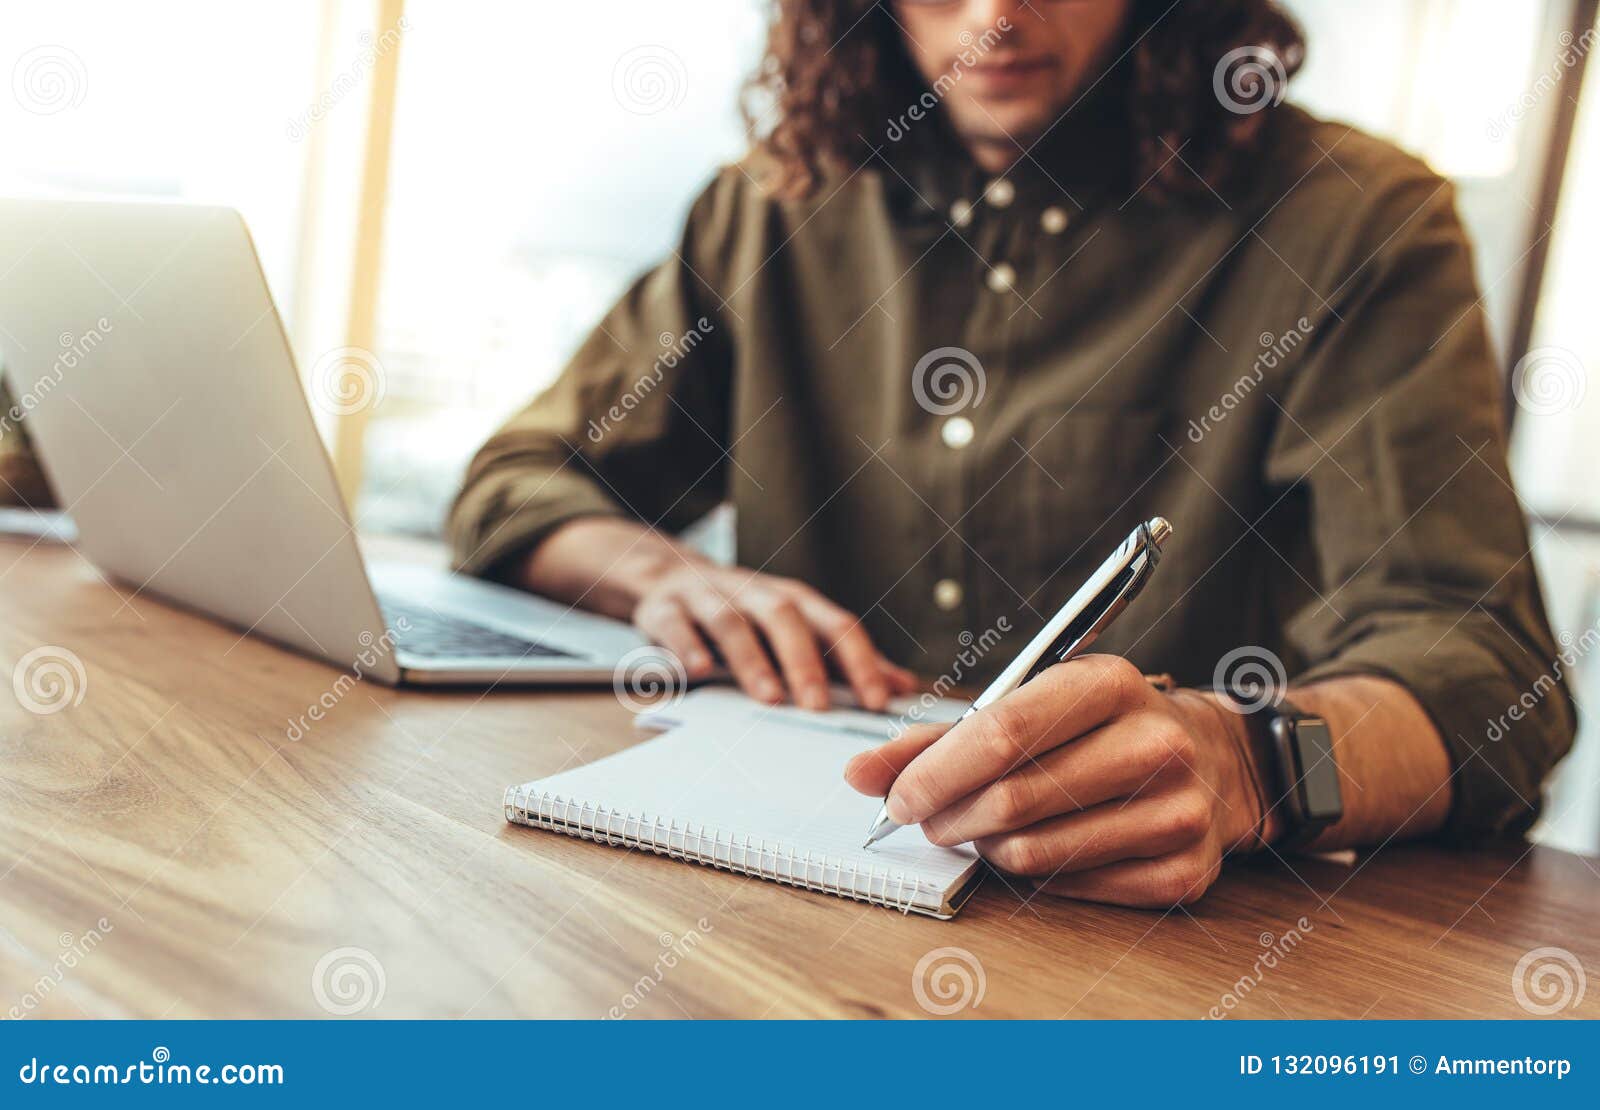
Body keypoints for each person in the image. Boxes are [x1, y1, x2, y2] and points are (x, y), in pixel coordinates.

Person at [448, 0, 1576, 907]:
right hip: (772, 910)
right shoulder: (768, 207)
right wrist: (660, 573)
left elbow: (1487, 675)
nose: (991, 19)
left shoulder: (1351, 222)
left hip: (1161, 983)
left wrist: (1252, 767)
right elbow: (518, 484)